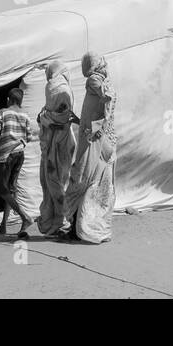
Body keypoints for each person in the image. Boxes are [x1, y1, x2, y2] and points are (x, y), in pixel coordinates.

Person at [60, 52, 117, 243]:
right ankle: (93, 228)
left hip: (94, 143)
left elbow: (106, 101)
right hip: (102, 142)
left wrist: (95, 129)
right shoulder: (105, 81)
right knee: (98, 183)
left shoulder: (94, 80)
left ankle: (78, 230)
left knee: (81, 179)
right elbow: (100, 107)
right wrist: (82, 121)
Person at [36, 61, 78, 237]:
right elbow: (63, 115)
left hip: (56, 141)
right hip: (62, 141)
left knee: (53, 181)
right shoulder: (63, 87)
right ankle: (58, 219)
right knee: (58, 180)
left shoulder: (54, 86)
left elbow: (58, 115)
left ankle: (58, 219)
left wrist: (45, 117)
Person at [0, 88, 36, 238]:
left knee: (2, 191)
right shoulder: (25, 115)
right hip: (19, 154)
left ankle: (25, 217)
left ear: (9, 100)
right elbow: (29, 136)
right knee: (10, 190)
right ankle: (3, 225)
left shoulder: (3, 113)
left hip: (7, 155)